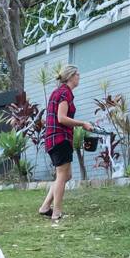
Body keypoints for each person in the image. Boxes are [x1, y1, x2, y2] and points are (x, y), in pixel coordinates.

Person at [38, 65, 95, 222]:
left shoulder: (58, 92)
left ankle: (45, 207)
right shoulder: (65, 93)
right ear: (70, 77)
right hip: (60, 138)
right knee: (62, 175)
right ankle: (56, 212)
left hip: (53, 138)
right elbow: (61, 118)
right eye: (77, 74)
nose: (79, 76)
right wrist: (83, 123)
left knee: (66, 175)